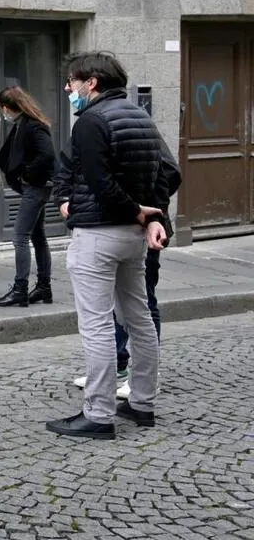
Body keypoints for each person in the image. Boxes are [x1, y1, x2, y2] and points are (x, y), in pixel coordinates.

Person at [48, 52, 170, 440]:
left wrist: (137, 212)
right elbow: (162, 177)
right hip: (132, 238)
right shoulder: (142, 118)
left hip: (99, 234)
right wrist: (150, 218)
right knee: (138, 316)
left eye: (72, 82)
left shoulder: (92, 121)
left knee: (98, 322)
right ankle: (142, 403)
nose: (69, 89)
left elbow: (101, 184)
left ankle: (98, 414)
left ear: (92, 83)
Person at [73, 143, 180, 399]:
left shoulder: (129, 128)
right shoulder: (98, 125)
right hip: (121, 228)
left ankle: (141, 380)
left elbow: (171, 172)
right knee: (117, 307)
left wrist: (146, 211)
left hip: (142, 229)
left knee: (143, 304)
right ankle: (119, 367)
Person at [0, 86, 56, 307]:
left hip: (36, 188)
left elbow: (47, 154)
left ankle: (20, 290)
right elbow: (4, 155)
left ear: (9, 107)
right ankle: (44, 288)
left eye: (4, 109)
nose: (4, 114)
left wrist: (27, 174)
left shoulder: (34, 126)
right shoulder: (22, 125)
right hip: (34, 187)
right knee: (38, 236)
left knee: (20, 237)